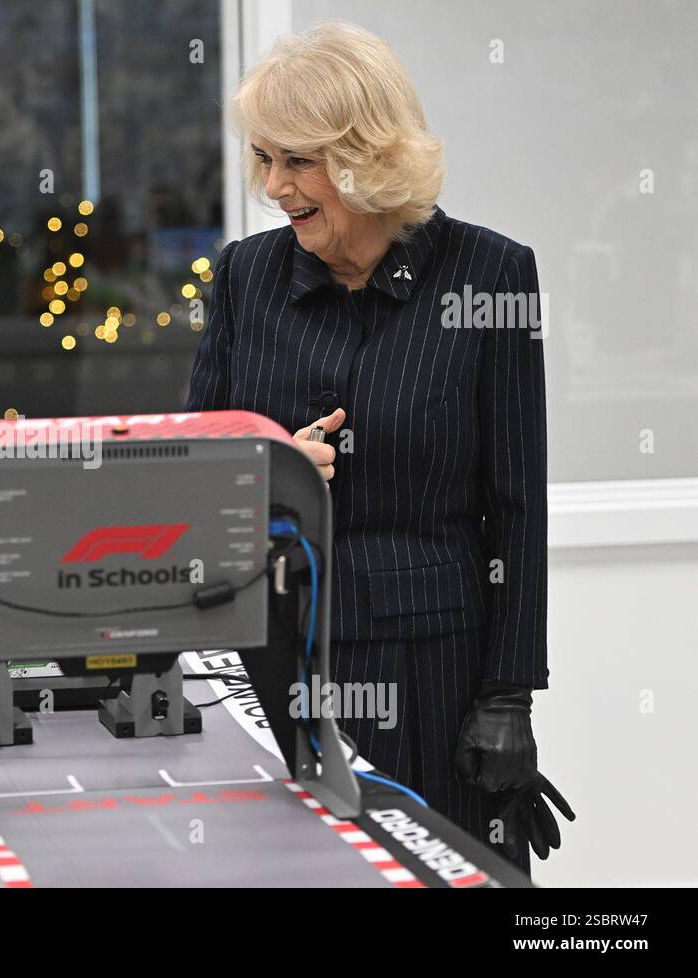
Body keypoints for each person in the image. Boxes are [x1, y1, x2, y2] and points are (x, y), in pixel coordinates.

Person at [186, 20, 573, 873]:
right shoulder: (245, 278)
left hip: (435, 676)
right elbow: (195, 475)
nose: (273, 188)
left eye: (299, 161)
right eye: (263, 159)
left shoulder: (491, 276)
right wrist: (269, 476)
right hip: (273, 667)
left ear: (366, 154)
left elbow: (517, 502)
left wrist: (510, 695)